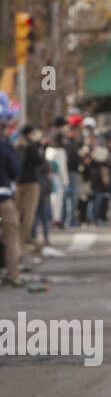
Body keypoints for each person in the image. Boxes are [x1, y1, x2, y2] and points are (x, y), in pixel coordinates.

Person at [0, 96, 23, 286]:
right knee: (11, 235)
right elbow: (16, 170)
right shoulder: (5, 146)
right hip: (3, 198)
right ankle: (13, 273)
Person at [16, 126, 44, 259]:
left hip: (16, 183)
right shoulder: (30, 146)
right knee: (27, 215)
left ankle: (19, 243)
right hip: (29, 183)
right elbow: (39, 161)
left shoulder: (15, 145)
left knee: (15, 215)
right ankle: (19, 244)